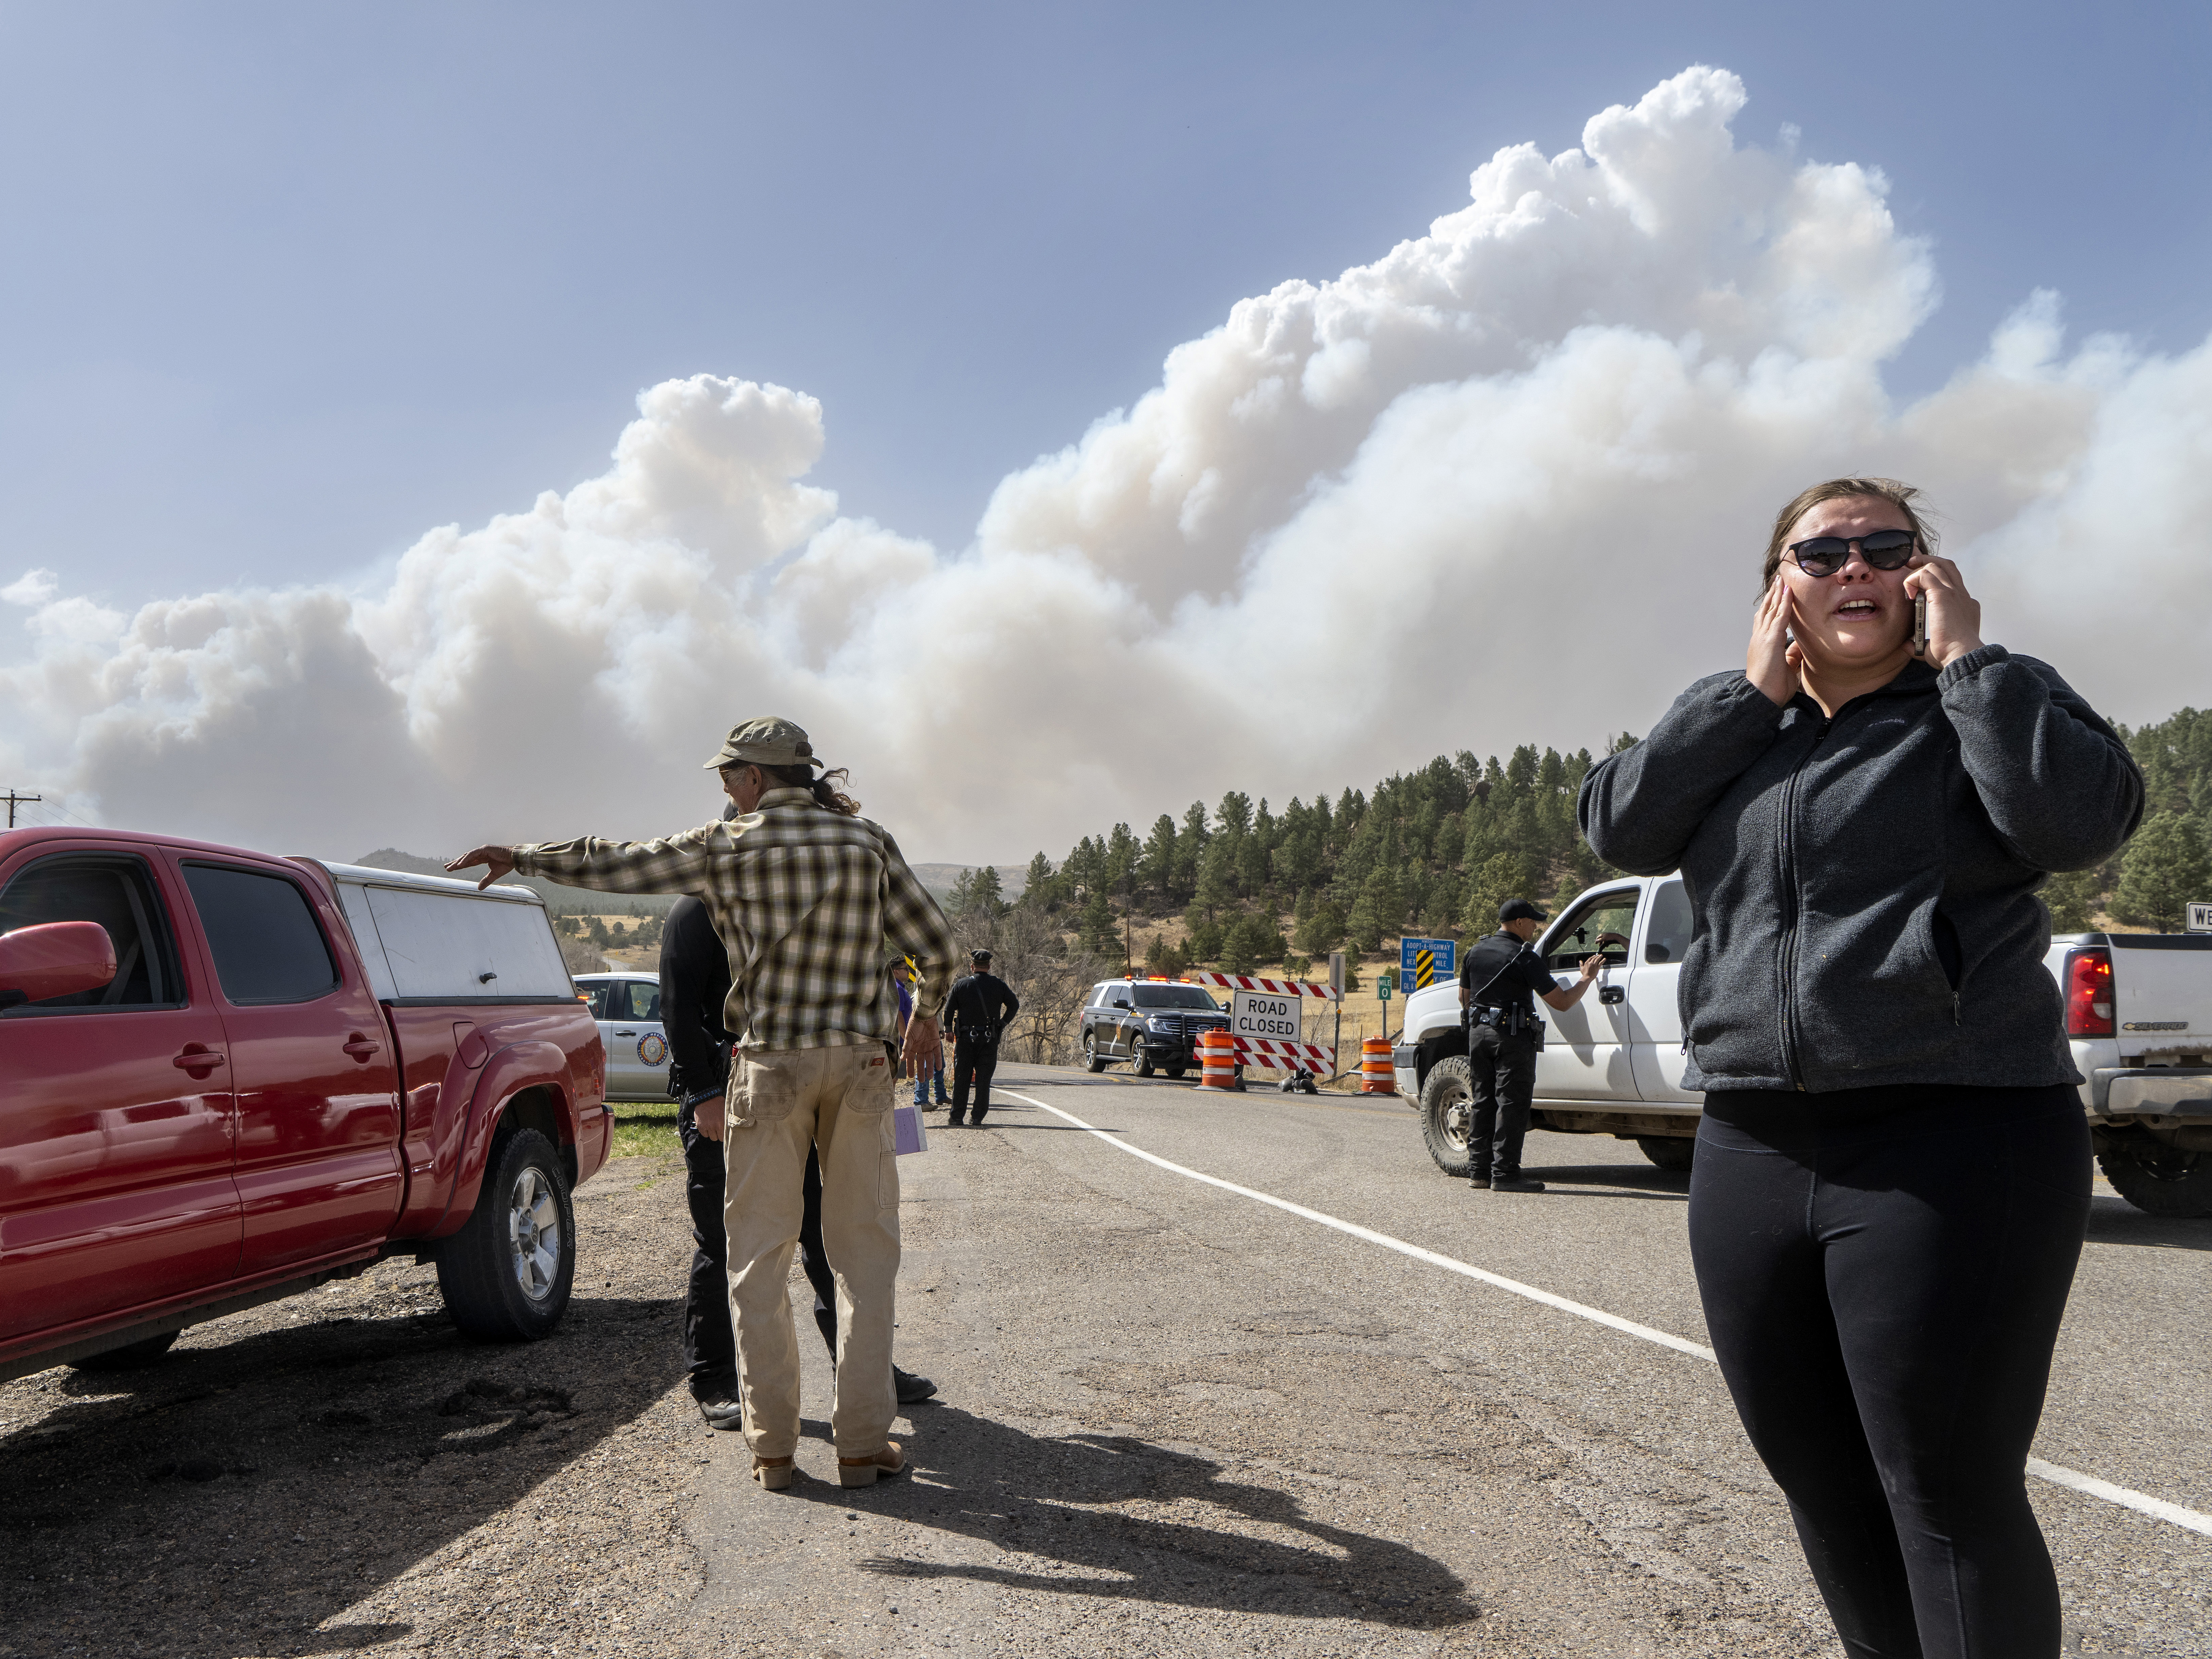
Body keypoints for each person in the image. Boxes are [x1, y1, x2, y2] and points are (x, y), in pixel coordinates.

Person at [1578, 478, 2143, 1659]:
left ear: (1922, 578)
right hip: (1752, 1146)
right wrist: (1744, 697)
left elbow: (2076, 822)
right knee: (1823, 1487)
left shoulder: (1984, 701)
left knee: (1944, 1491)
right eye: (1821, 551)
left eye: (1884, 549)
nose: (1854, 568)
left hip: (1959, 1140)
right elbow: (1621, 829)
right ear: (1779, 585)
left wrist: (1972, 665)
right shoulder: (1742, 732)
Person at [451, 716, 958, 1493]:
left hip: (769, 1065)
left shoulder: (727, 845)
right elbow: (938, 945)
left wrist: (522, 856)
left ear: (755, 778)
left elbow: (614, 862)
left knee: (755, 1258)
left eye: (728, 774)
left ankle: (774, 1448)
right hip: (859, 1065)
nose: (723, 786)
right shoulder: (868, 844)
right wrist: (923, 1017)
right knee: (862, 1258)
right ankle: (860, 1444)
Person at [662, 885, 935, 1427]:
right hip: (723, 1096)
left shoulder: (791, 901)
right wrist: (701, 1094)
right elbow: (676, 1008)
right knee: (727, 1241)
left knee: (829, 1234)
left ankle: (863, 1369)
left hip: (801, 1094)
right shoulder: (697, 910)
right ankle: (716, 1377)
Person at [1455, 899, 1604, 1193]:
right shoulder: (1524, 956)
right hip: (1512, 1037)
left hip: (1478, 1035)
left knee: (1484, 1100)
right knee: (1512, 1103)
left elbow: (1464, 997)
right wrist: (1587, 979)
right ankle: (1506, 1174)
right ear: (1519, 922)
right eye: (1533, 922)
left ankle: (1479, 1172)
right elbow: (1561, 1003)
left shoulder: (1476, 950)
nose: (1536, 927)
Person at [942, 948, 1019, 1126]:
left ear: (972, 967)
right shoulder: (999, 985)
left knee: (962, 1078)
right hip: (989, 1038)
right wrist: (1002, 1023)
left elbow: (949, 1009)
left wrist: (948, 1029)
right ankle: (977, 1117)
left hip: (966, 1039)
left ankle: (957, 1117)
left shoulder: (961, 985)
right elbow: (1014, 1005)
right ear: (989, 967)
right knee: (984, 1080)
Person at [895, 961, 950, 1107]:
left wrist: (940, 1030)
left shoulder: (933, 995)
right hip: (919, 1038)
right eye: (905, 969)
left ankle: (940, 1095)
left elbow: (933, 1016)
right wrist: (904, 1038)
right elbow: (904, 1016)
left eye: (909, 969)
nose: (908, 971)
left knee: (938, 1067)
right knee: (925, 1069)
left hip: (932, 1036)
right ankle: (921, 1100)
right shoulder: (914, 996)